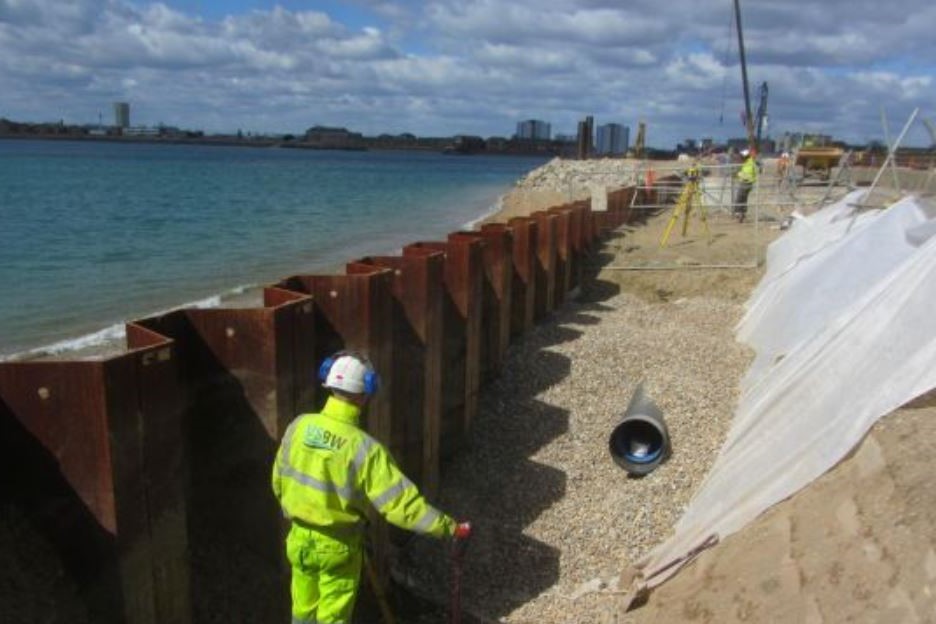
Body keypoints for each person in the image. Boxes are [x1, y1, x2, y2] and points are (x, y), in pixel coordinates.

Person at [272, 351, 470, 624]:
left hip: (298, 539)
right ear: (365, 393)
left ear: (328, 383)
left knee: (302, 612)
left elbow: (279, 481)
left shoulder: (299, 427)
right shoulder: (364, 449)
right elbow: (403, 507)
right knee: (332, 618)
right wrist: (449, 527)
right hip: (338, 547)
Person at [733, 148, 758, 222]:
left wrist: (738, 174)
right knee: (743, 199)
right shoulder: (748, 162)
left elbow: (747, 174)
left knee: (739, 198)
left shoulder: (749, 163)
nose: (741, 158)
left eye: (742, 156)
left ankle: (739, 213)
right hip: (747, 183)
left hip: (746, 183)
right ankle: (742, 214)